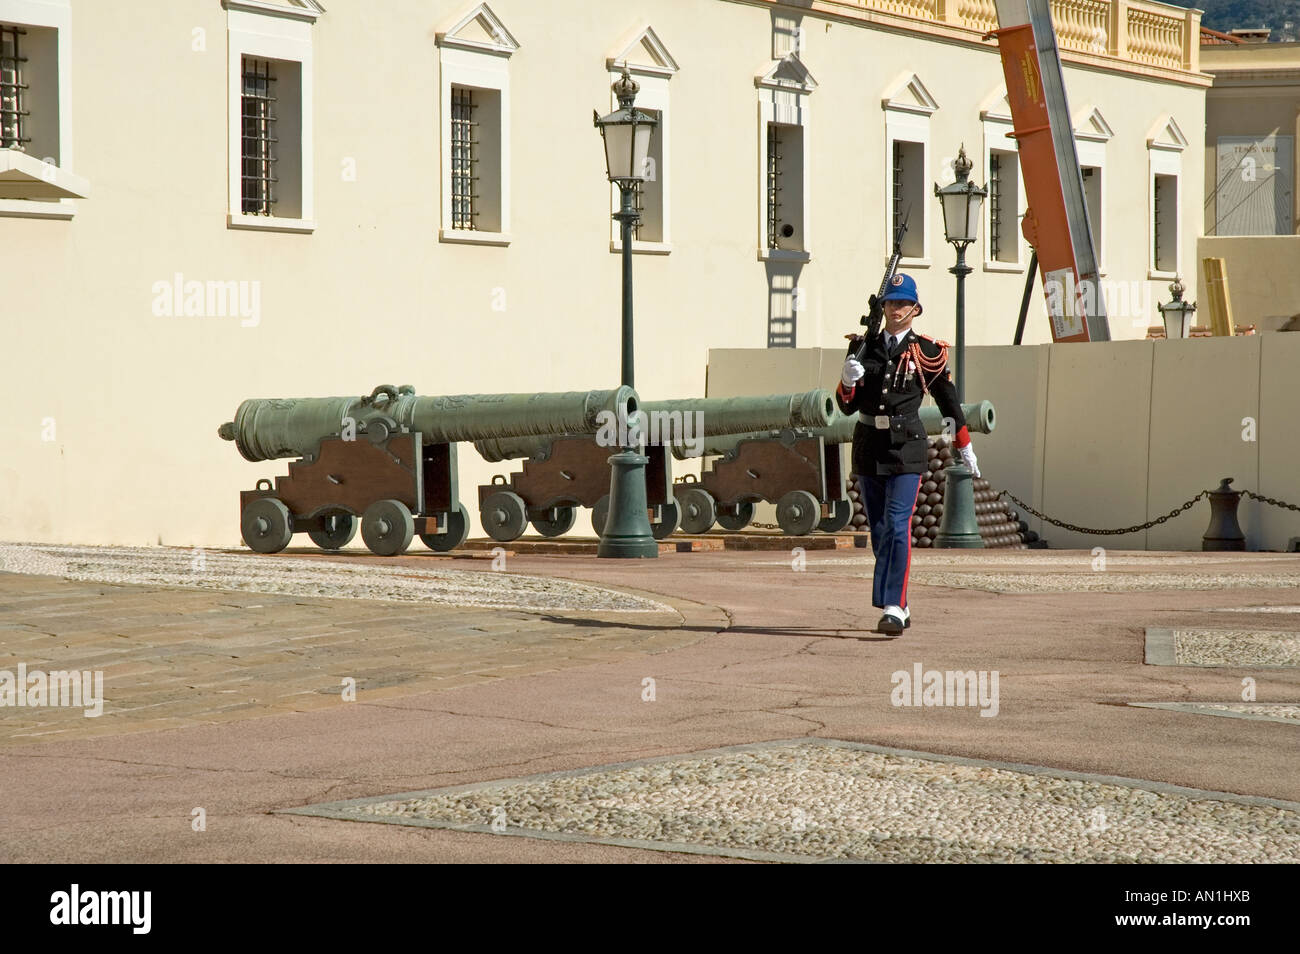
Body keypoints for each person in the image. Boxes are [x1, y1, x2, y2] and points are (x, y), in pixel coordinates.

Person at [836, 273, 979, 637]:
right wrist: (848, 382)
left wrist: (963, 443)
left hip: (906, 448)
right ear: (882, 307)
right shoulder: (862, 348)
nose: (895, 309)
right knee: (881, 532)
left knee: (899, 527)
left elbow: (948, 400)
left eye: (903, 303)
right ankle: (898, 599)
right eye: (890, 302)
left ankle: (893, 607)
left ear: (915, 309)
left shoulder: (928, 352)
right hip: (869, 446)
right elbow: (846, 406)